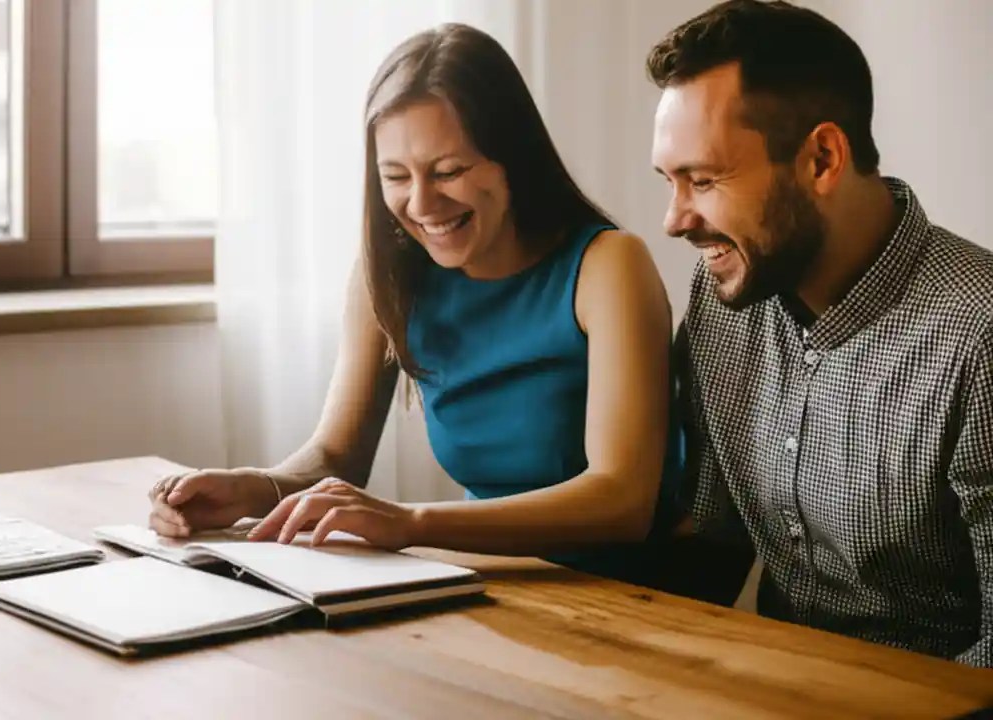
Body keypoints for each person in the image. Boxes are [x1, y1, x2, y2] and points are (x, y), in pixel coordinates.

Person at [148, 23, 682, 586]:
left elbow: (623, 500)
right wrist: (248, 489)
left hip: (629, 597)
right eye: (396, 177)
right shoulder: (387, 275)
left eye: (449, 171)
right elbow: (336, 457)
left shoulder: (608, 265)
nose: (422, 204)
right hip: (492, 586)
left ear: (513, 160)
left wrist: (412, 522)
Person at [649, 0, 993, 667]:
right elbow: (713, 540)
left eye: (705, 179)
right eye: (669, 180)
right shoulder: (723, 301)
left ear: (822, 159)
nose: (673, 219)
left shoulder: (979, 336)